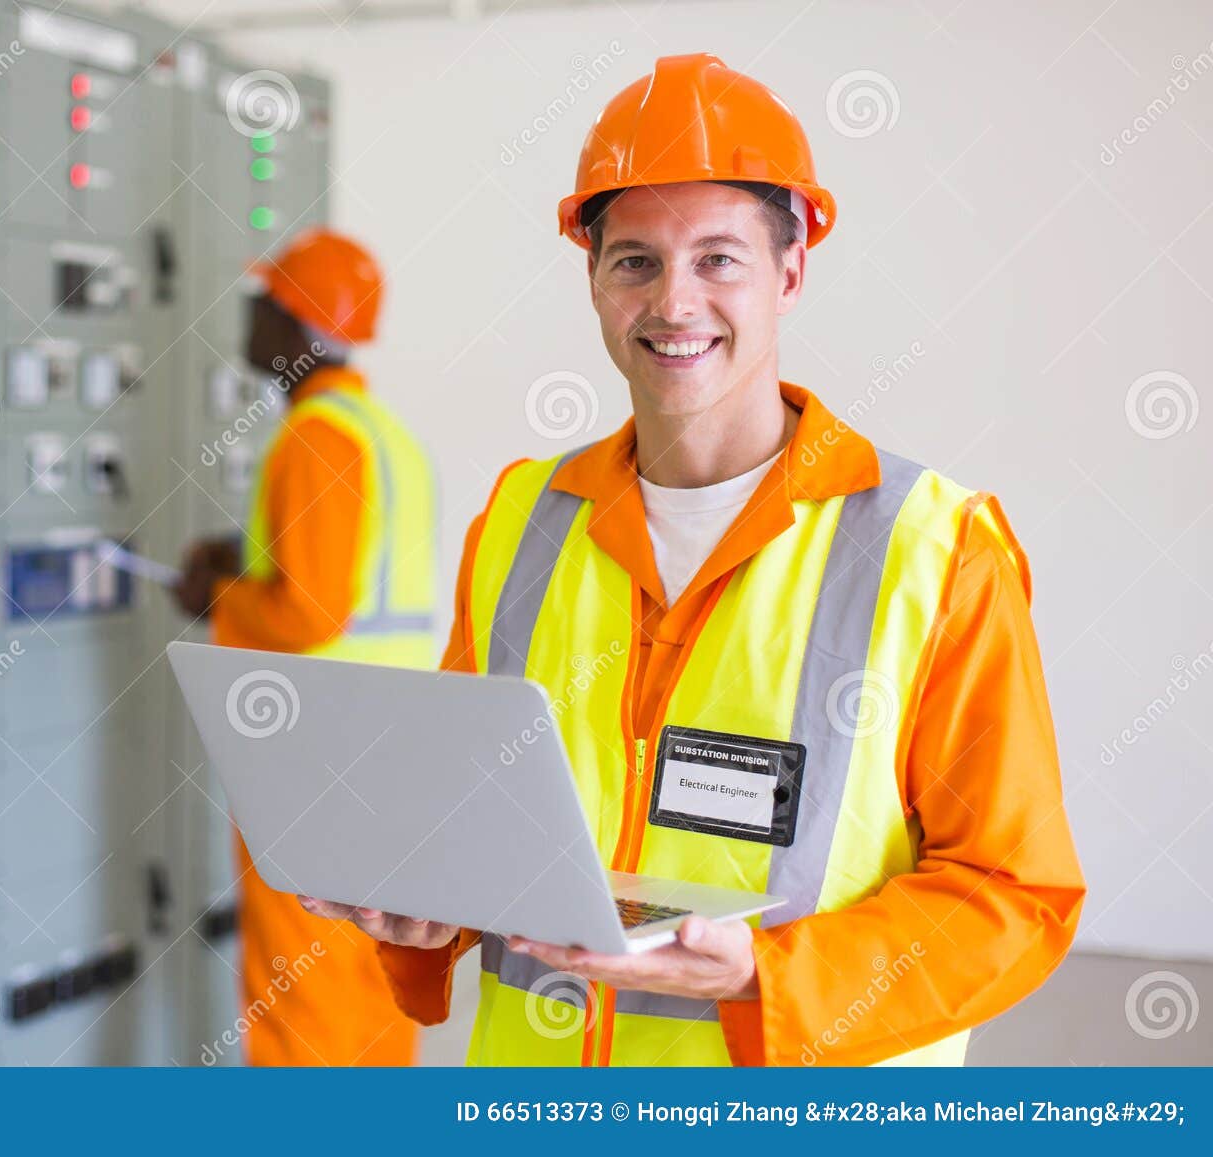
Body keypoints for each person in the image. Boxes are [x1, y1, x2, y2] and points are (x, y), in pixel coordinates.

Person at [300, 54, 1085, 1066]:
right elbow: (472, 816)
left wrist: (768, 976)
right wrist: (426, 912)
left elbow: (1012, 891)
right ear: (592, 279)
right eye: (634, 260)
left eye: (718, 258)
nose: (673, 302)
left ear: (788, 273)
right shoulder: (522, 517)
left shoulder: (935, 547)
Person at [176, 227, 438, 1065]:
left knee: (301, 994)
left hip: (313, 755)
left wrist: (211, 594)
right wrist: (242, 557)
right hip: (390, 746)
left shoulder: (316, 435)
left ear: (297, 325)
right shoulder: (382, 435)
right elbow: (353, 581)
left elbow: (309, 614)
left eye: (263, 301)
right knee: (373, 975)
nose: (247, 317)